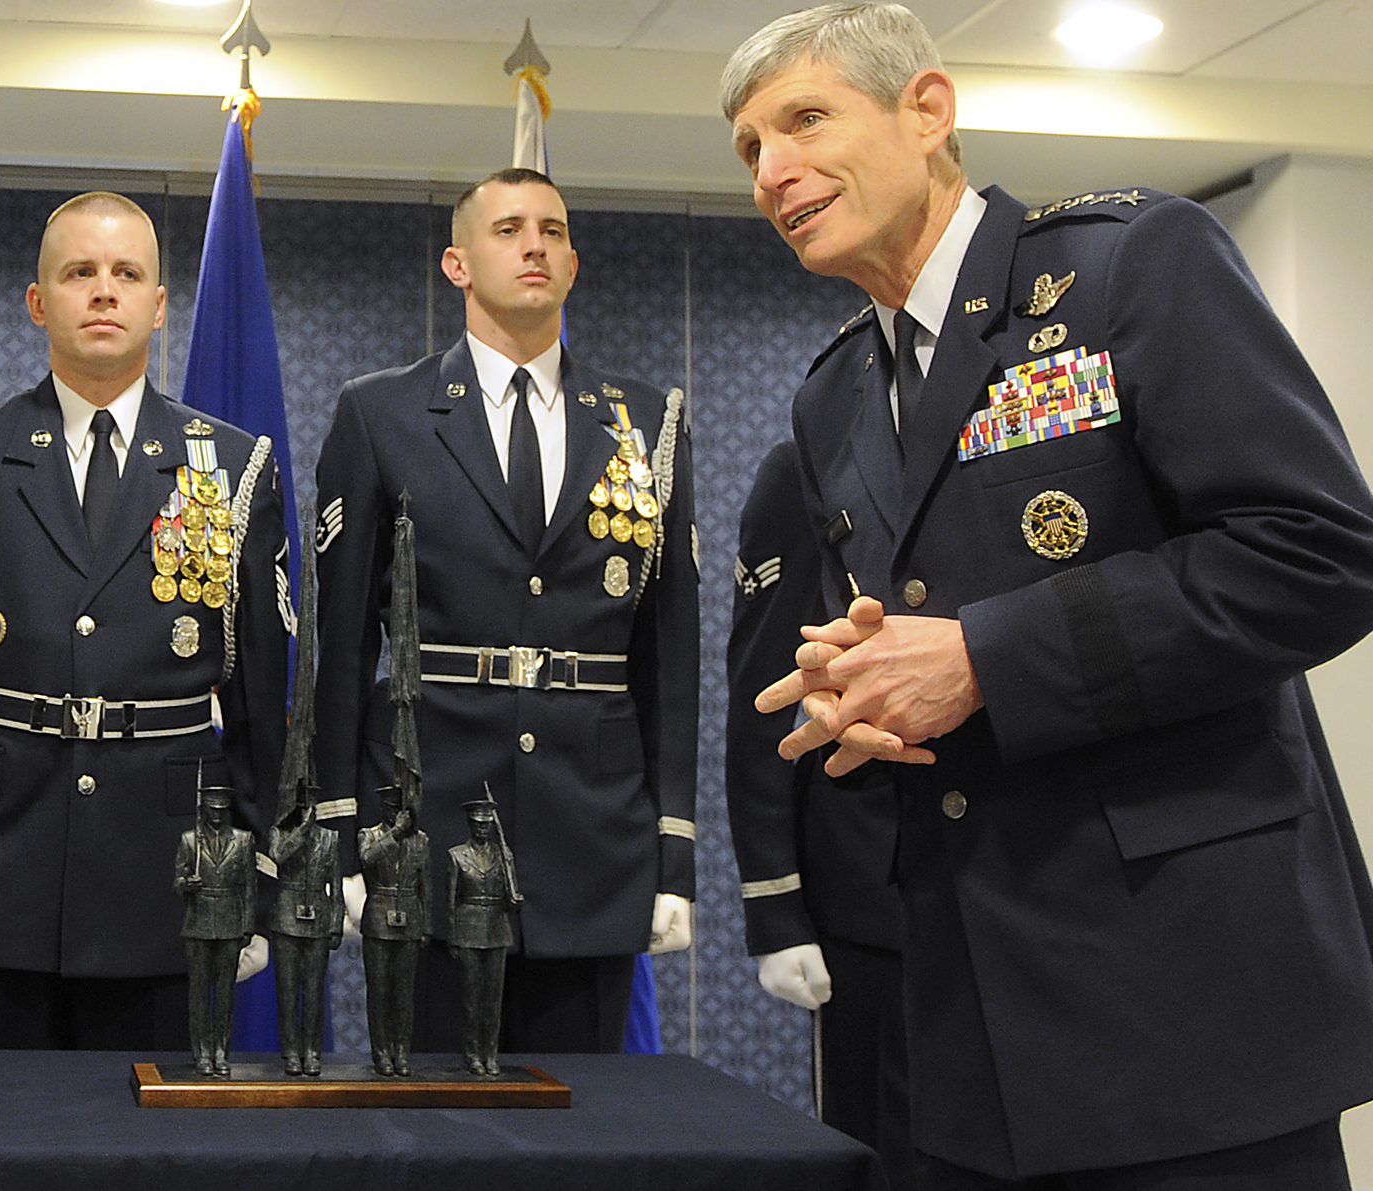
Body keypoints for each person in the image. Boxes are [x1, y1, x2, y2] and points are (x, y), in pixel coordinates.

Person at [723, 5, 1373, 1187]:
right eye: (748, 149)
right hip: (963, 1012)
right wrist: (858, 684)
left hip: (1183, 1007)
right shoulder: (828, 396)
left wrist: (983, 658)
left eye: (802, 120)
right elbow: (918, 612)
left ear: (926, 110)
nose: (771, 170)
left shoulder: (1129, 263)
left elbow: (1315, 553)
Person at [0, 191, 288, 1052]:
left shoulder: (236, 465)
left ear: (160, 307)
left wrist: (261, 874)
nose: (104, 291)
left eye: (127, 273)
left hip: (167, 866)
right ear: (37, 301)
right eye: (79, 272)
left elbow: (260, 703)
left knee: (147, 1153)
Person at [314, 167, 699, 1057]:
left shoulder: (648, 420)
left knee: (584, 1128)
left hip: (593, 830)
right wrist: (340, 835)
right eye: (510, 229)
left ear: (574, 263)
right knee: (433, 1118)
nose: (536, 245)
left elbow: (669, 655)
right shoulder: (382, 412)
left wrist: (671, 847)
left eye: (554, 231)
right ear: (457, 263)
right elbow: (340, 646)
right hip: (428, 818)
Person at [725, 440, 912, 1189]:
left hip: (1026, 877)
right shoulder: (812, 463)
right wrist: (776, 902)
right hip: (871, 885)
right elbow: (764, 690)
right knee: (886, 1152)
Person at [176, 786, 257, 1077]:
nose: (216, 816)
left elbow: (249, 887)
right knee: (198, 994)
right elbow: (177, 881)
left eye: (221, 810)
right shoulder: (189, 841)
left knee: (225, 994)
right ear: (204, 810)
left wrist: (248, 924)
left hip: (229, 920)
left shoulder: (244, 840)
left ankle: (221, 1051)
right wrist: (188, 884)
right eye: (211, 810)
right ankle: (201, 1052)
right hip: (198, 921)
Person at [360, 783, 430, 1076]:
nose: (395, 814)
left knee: (404, 993)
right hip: (378, 918)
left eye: (399, 809)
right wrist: (396, 832)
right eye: (390, 808)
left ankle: (401, 1051)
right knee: (379, 991)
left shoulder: (421, 841)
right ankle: (381, 1052)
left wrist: (427, 925)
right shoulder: (369, 835)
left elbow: (426, 887)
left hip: (410, 918)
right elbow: (367, 858)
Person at [267, 796, 340, 1076]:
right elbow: (277, 856)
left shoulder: (331, 838)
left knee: (313, 991)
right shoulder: (280, 833)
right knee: (287, 991)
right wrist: (301, 831)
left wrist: (335, 924)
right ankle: (291, 1051)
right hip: (286, 917)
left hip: (319, 918)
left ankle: (312, 1050)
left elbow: (336, 886)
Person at [447, 799, 518, 1076]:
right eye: (477, 824)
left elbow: (512, 899)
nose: (482, 829)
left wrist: (515, 898)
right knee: (472, 999)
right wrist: (453, 936)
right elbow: (451, 900)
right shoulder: (457, 856)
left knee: (493, 999)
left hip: (497, 929)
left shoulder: (503, 855)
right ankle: (473, 1053)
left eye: (486, 824)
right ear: (469, 824)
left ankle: (491, 1053)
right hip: (469, 928)